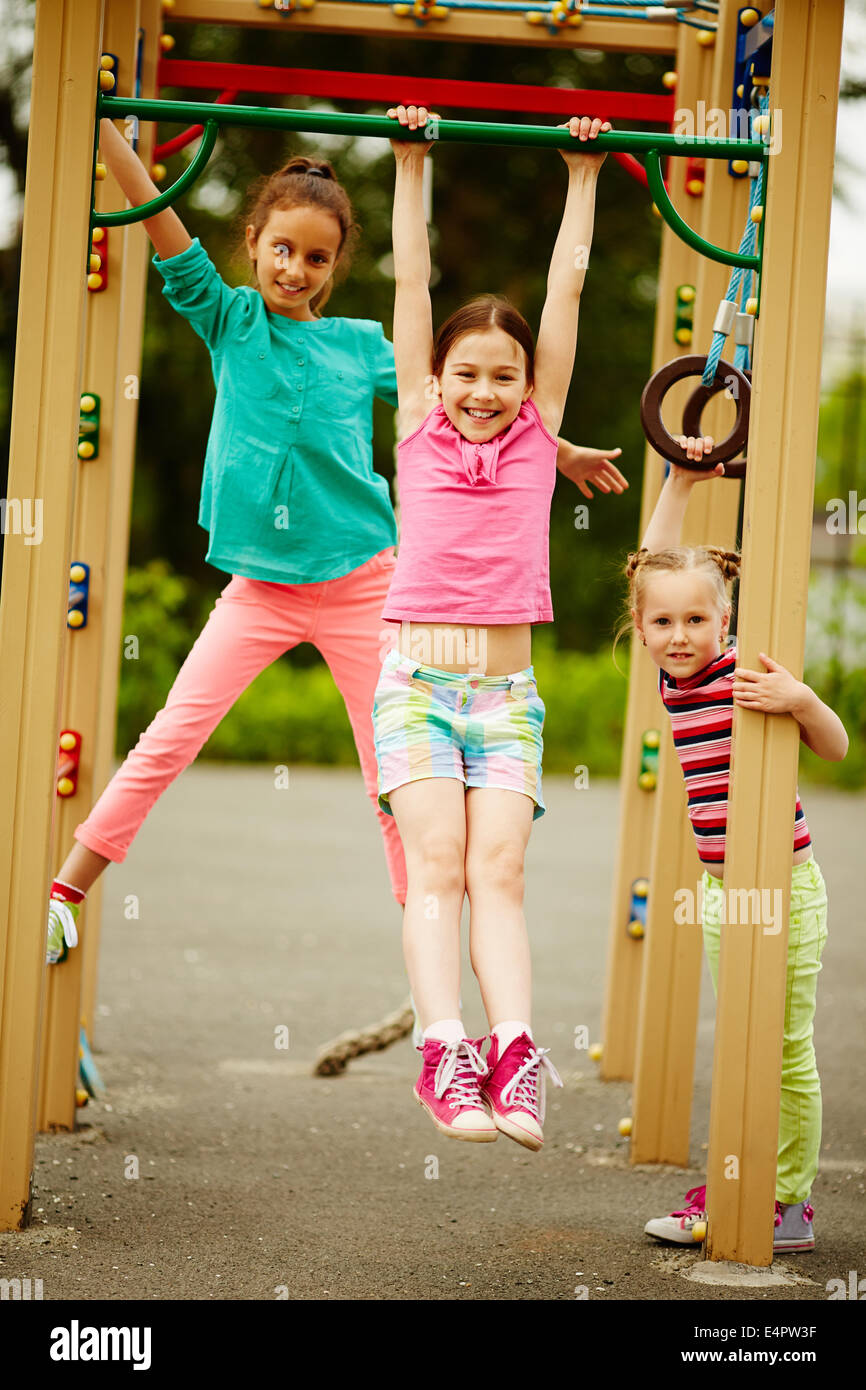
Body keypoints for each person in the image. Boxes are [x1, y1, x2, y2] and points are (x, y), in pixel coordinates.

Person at [46, 116, 627, 965]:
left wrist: (556, 446)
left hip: (368, 582)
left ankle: (424, 932)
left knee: (390, 767)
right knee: (172, 732)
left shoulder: (364, 347)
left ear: (335, 264)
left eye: (316, 257)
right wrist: (104, 134)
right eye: (281, 249)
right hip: (261, 585)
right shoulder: (229, 318)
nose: (295, 269)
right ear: (253, 244)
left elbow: (468, 404)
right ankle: (67, 890)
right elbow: (162, 226)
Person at [372, 104, 614, 1149]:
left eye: (501, 375)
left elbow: (564, 288)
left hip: (505, 697)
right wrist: (410, 164)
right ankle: (443, 1049)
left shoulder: (536, 434)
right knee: (434, 864)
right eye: (464, 371)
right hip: (418, 688)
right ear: (435, 376)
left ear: (527, 386)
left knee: (498, 872)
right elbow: (412, 280)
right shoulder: (417, 424)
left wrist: (583, 174)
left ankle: (513, 1053)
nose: (482, 388)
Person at [619, 440, 848, 1251]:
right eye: (663, 621)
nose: (679, 635)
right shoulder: (672, 683)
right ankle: (742, 1182)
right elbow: (650, 562)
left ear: (725, 619)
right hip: (723, 887)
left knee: (783, 1047)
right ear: (642, 629)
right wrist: (679, 484)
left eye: (696, 619)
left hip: (787, 880)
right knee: (742, 1034)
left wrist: (801, 697)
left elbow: (838, 749)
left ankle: (785, 1204)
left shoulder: (744, 672)